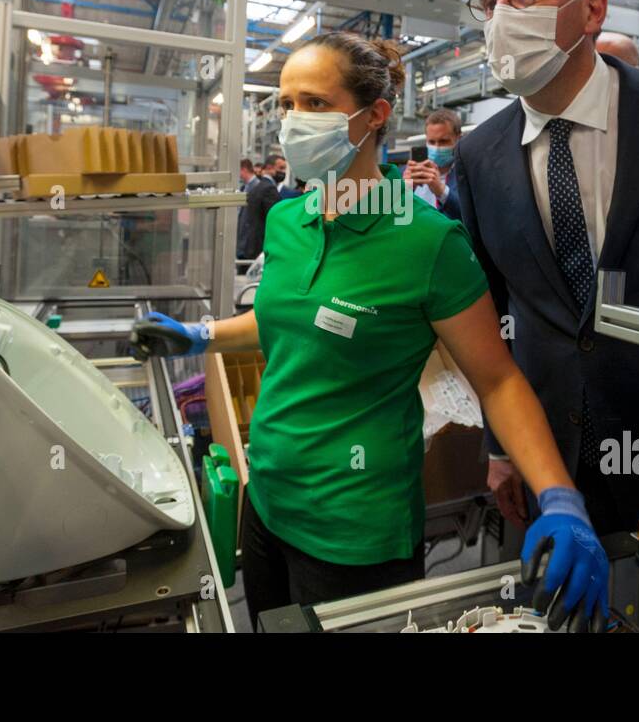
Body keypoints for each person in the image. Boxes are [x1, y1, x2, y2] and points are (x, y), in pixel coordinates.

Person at [134, 31, 608, 630]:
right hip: (268, 496)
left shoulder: (426, 242)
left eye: (314, 104)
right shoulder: (287, 219)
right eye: (285, 104)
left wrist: (559, 496)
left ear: (375, 115)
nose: (292, 121)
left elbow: (497, 380)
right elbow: (283, 316)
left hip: (355, 528)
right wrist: (201, 335)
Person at [457, 0, 639, 536]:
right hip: (546, 451)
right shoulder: (480, 153)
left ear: (592, 7)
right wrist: (499, 446)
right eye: (491, 1)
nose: (504, 15)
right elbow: (491, 307)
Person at [403, 108, 462, 220]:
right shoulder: (405, 173)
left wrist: (442, 191)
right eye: (431, 142)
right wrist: (404, 189)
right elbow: (390, 217)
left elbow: (471, 217)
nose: (437, 147)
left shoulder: (468, 175)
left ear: (458, 138)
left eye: (444, 141)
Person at [236, 159, 280, 260]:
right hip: (245, 243)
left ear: (243, 169)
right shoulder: (244, 187)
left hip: (253, 245)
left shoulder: (259, 187)